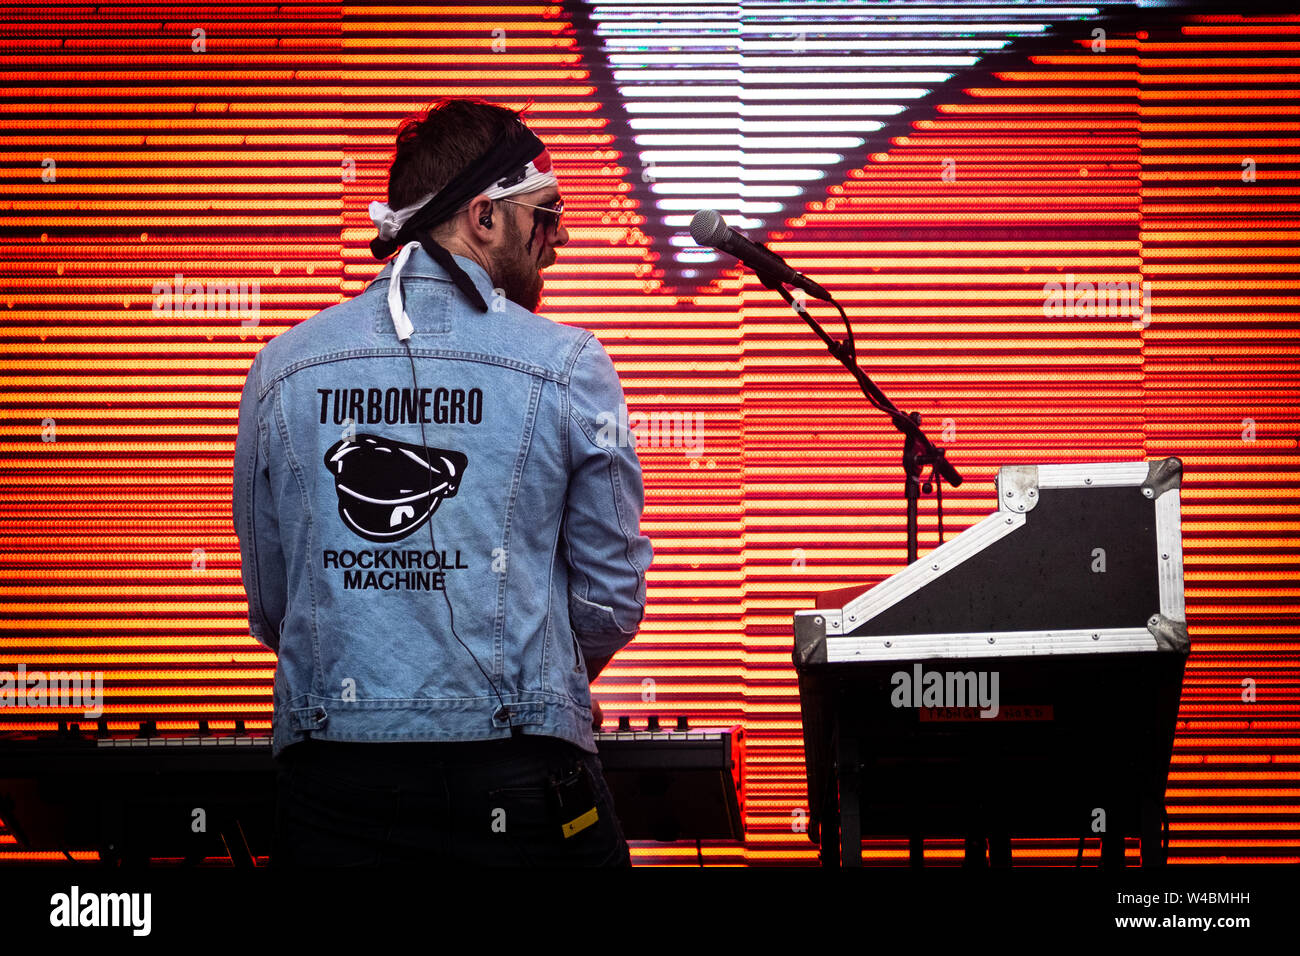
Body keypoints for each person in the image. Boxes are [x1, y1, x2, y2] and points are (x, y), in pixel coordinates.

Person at [232, 98, 653, 866]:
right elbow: (610, 599)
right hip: (523, 780)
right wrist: (539, 679)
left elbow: (274, 606)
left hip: (333, 791)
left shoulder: (281, 370)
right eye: (546, 214)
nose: (559, 239)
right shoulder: (568, 365)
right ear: (484, 217)